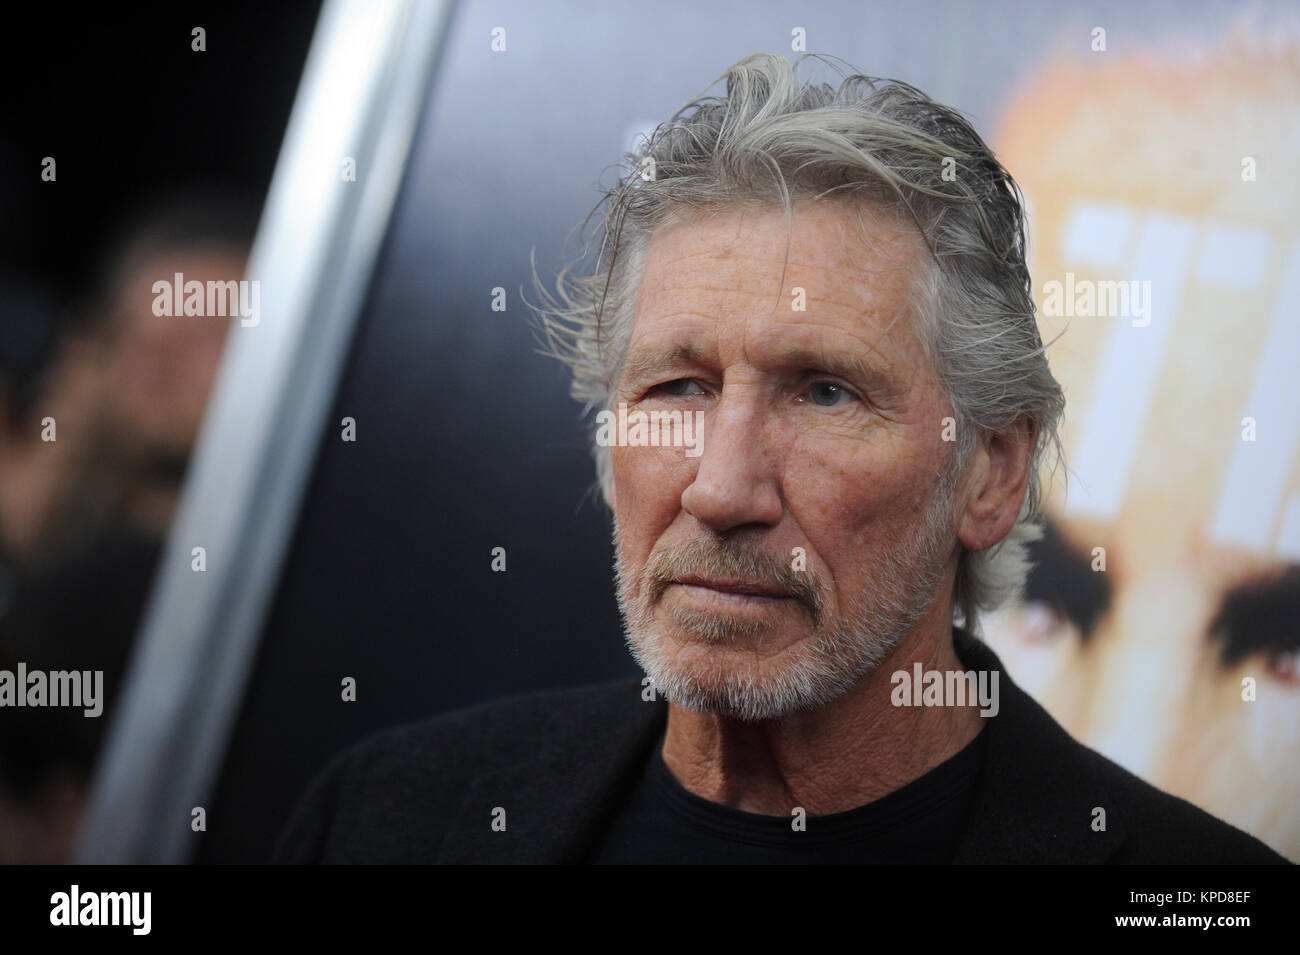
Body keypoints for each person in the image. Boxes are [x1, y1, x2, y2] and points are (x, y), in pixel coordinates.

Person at [272, 53, 1287, 864]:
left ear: (990, 471)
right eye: (678, 387)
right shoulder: (390, 819)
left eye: (824, 393)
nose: (719, 488)